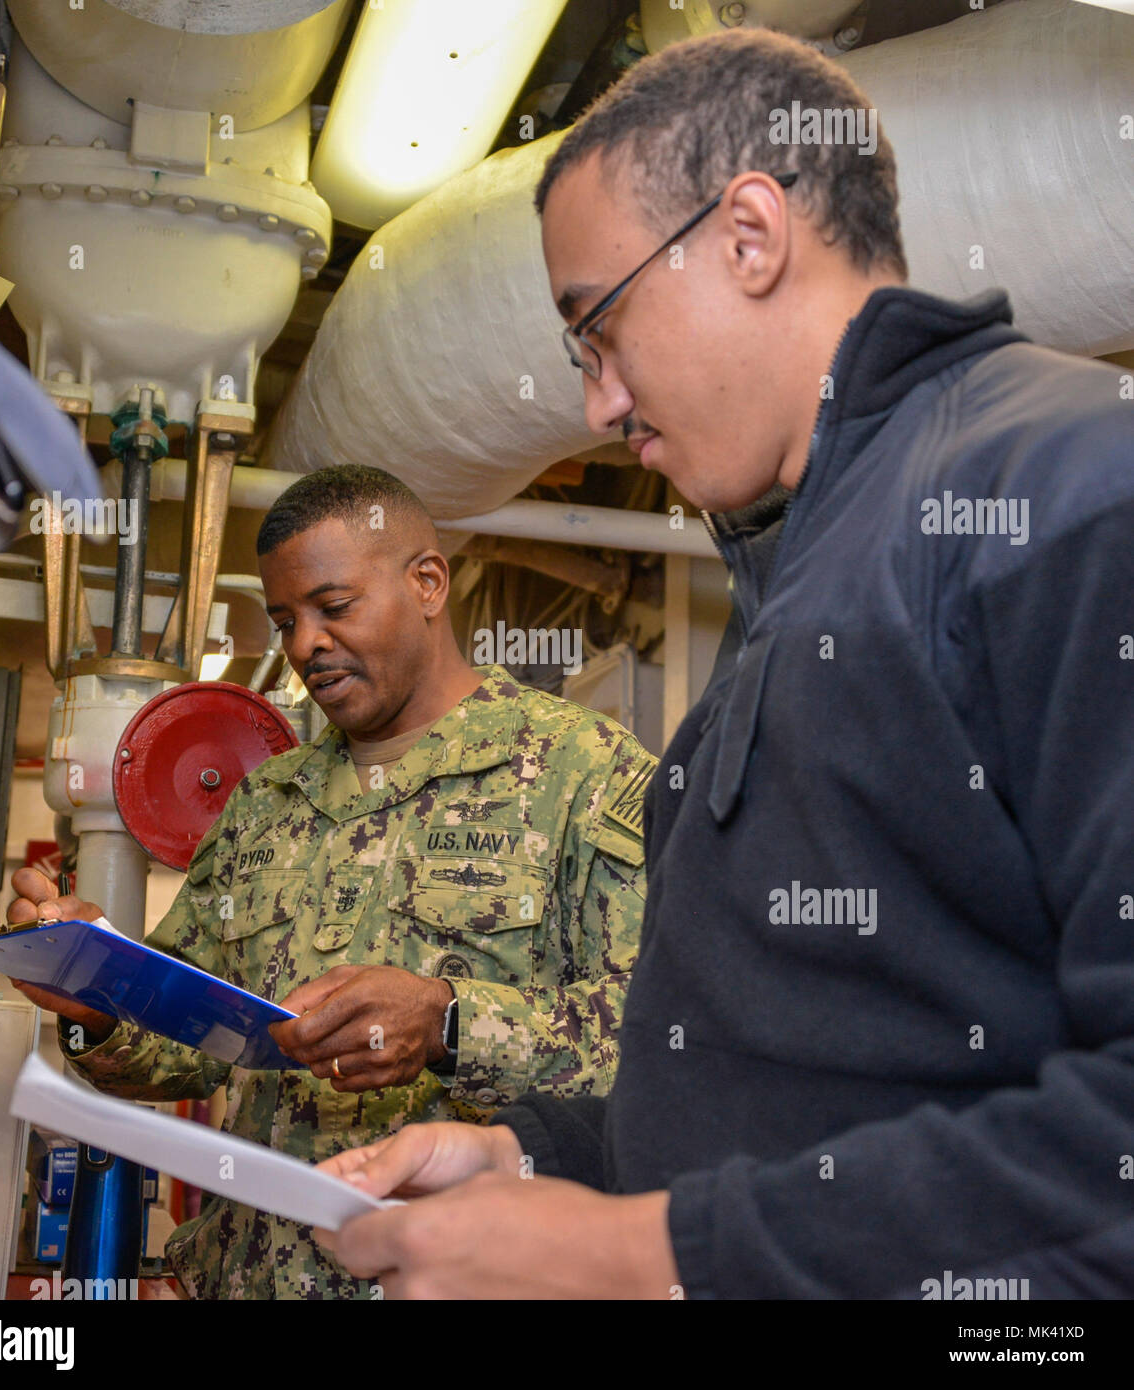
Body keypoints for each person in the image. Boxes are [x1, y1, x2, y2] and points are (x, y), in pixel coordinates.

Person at [312, 29, 1134, 1299]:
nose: (594, 403)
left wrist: (645, 1260)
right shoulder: (807, 576)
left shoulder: (1057, 492)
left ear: (749, 236)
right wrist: (536, 1163)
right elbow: (801, 1108)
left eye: (598, 329)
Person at [8, 464, 654, 1298]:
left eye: (333, 607)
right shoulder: (267, 800)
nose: (304, 644)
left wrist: (451, 1023)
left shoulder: (581, 775)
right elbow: (192, 1050)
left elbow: (664, 1044)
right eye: (284, 620)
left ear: (426, 583)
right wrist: (98, 992)